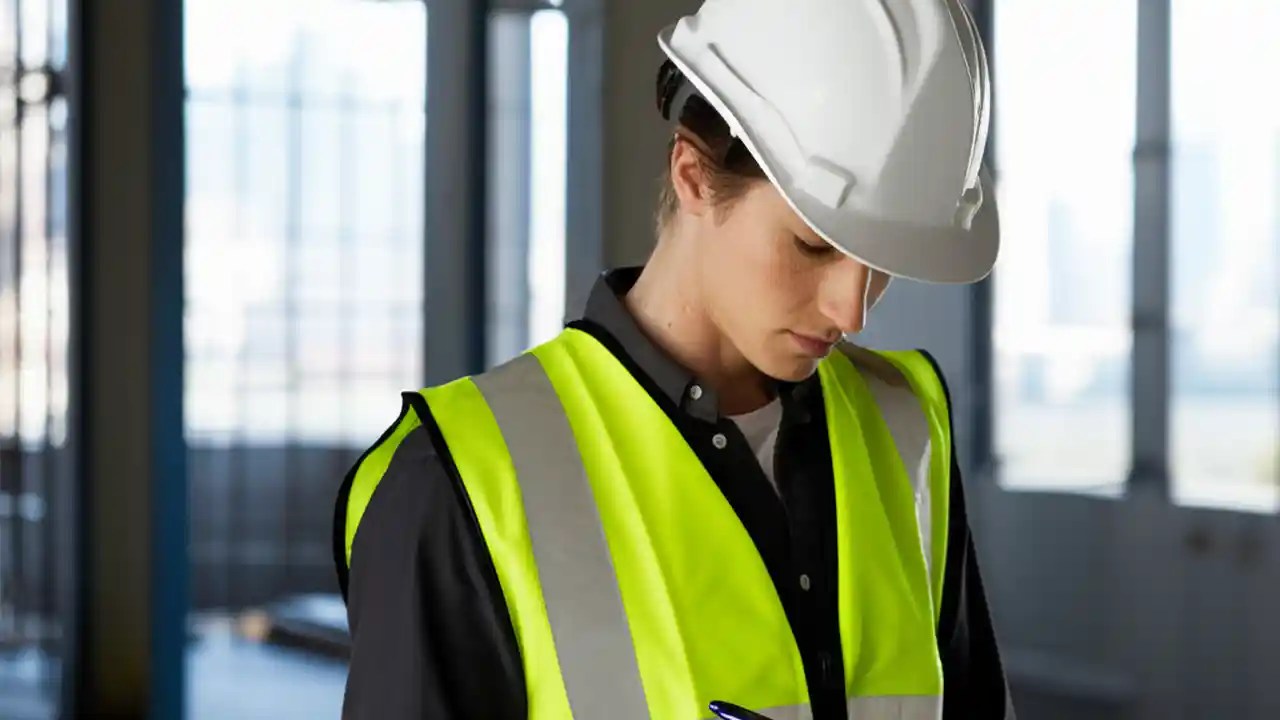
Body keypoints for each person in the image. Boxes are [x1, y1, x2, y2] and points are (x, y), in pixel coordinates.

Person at [334, 0, 1012, 717]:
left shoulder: (906, 430)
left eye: (881, 260)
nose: (853, 310)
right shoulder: (459, 483)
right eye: (812, 245)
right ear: (692, 174)